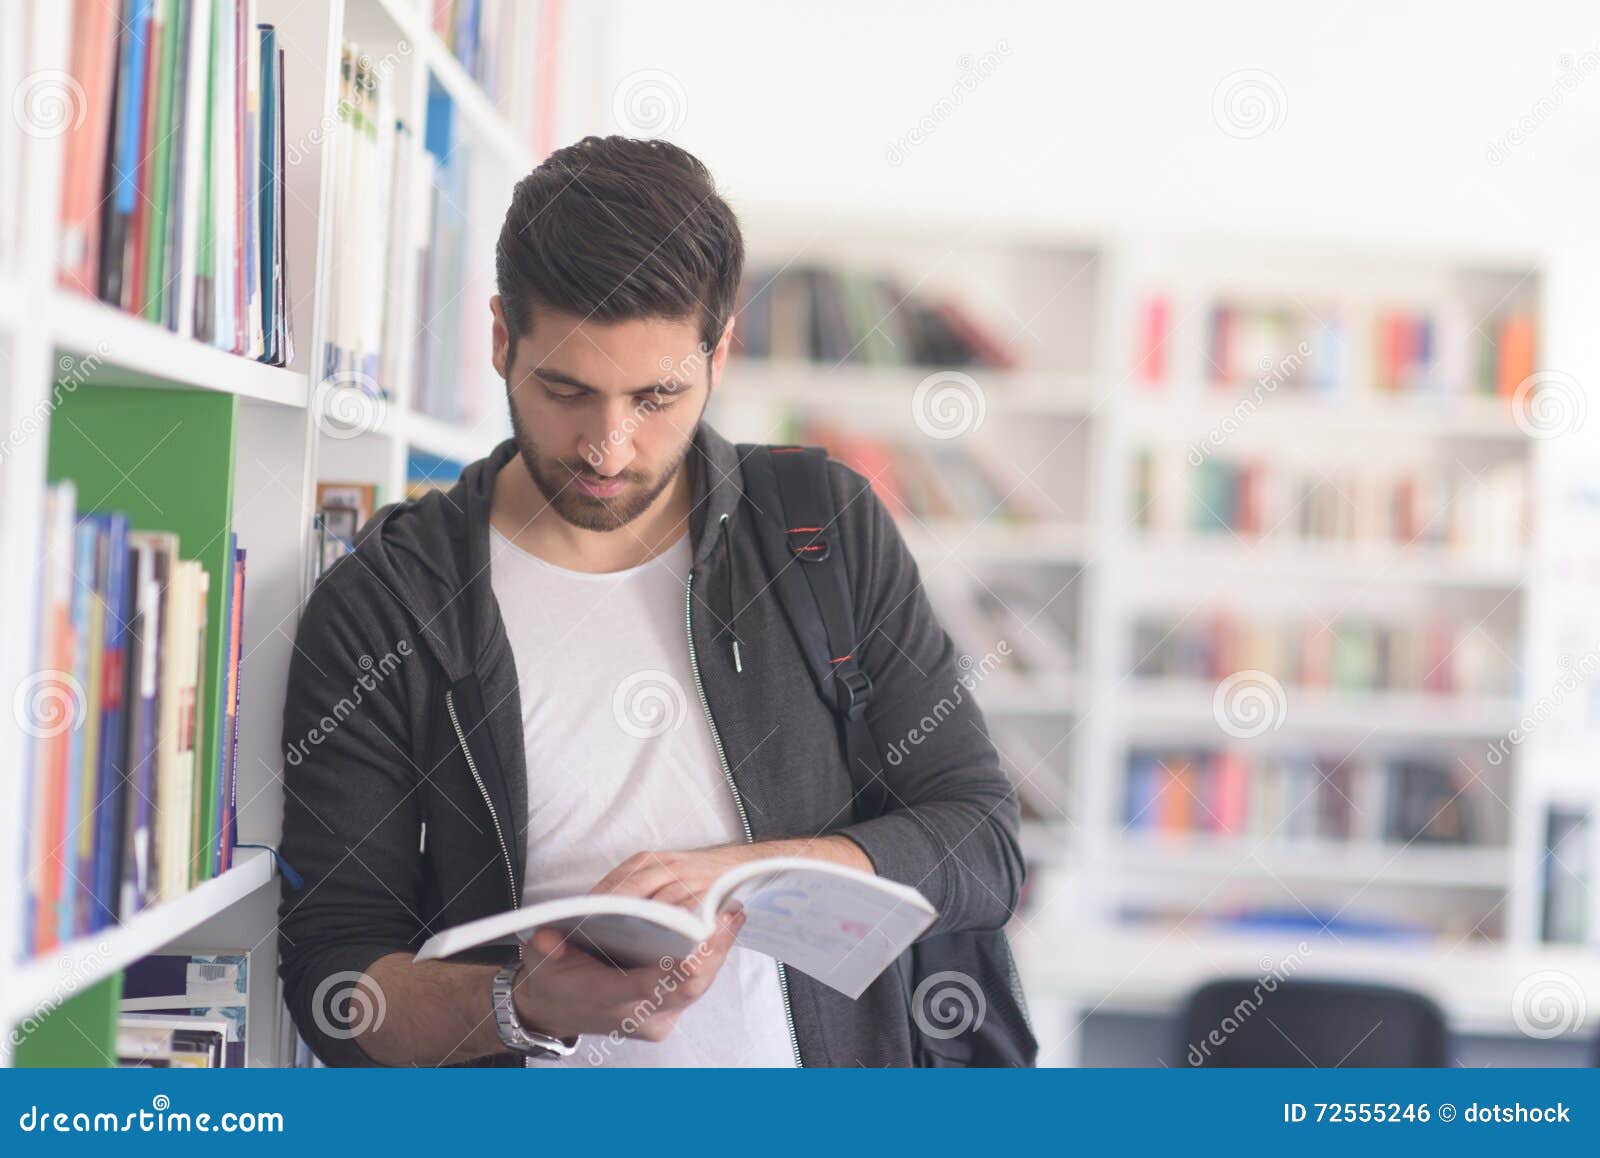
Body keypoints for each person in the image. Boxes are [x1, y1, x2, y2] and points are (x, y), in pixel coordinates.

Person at [277, 135, 1024, 1067]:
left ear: (721, 352)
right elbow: (333, 979)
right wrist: (523, 1006)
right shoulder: (387, 602)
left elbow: (982, 841)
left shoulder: (819, 528)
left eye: (657, 396)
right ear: (502, 337)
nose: (609, 448)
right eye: (566, 390)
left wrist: (747, 873)